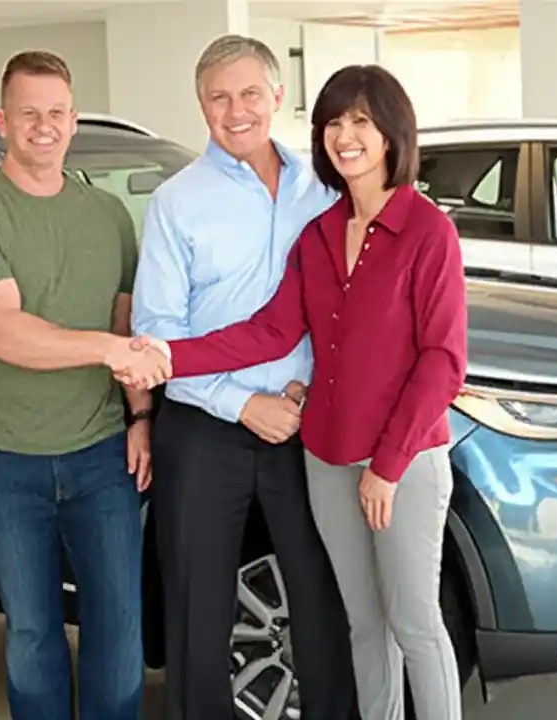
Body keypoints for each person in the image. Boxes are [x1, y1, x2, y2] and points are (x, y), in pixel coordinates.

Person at [125, 64, 468, 720]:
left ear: (393, 132)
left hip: (398, 462)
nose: (346, 135)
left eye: (362, 121)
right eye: (334, 122)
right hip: (323, 457)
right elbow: (270, 330)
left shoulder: (428, 231)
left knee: (415, 626)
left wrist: (388, 469)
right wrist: (168, 355)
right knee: (363, 626)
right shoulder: (319, 231)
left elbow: (442, 363)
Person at [0, 49, 166, 720]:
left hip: (101, 458)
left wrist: (141, 417)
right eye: (29, 113)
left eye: (57, 113)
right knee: (32, 634)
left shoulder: (110, 216)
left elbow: (124, 317)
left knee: (118, 629)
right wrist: (113, 350)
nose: (45, 126)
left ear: (73, 119)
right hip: (6, 461)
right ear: (1, 121)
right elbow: (5, 333)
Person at [130, 34, 357, 720]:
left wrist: (307, 389)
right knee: (197, 612)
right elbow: (157, 337)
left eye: (250, 94)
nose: (236, 111)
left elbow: (344, 307)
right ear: (201, 105)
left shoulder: (324, 188)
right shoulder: (176, 202)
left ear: (278, 97)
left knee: (323, 599)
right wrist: (242, 403)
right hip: (204, 431)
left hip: (306, 422)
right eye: (219, 97)